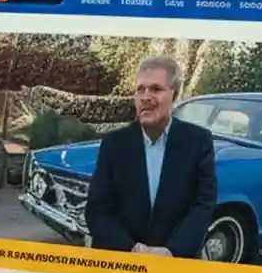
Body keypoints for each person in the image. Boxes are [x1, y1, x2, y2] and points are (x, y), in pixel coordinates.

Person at [84, 56, 217, 258]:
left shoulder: (198, 142)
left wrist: (170, 251)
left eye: (156, 89)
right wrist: (132, 249)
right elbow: (97, 210)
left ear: (175, 95)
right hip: (121, 263)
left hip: (175, 265)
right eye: (140, 89)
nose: (145, 97)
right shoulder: (114, 144)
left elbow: (203, 206)